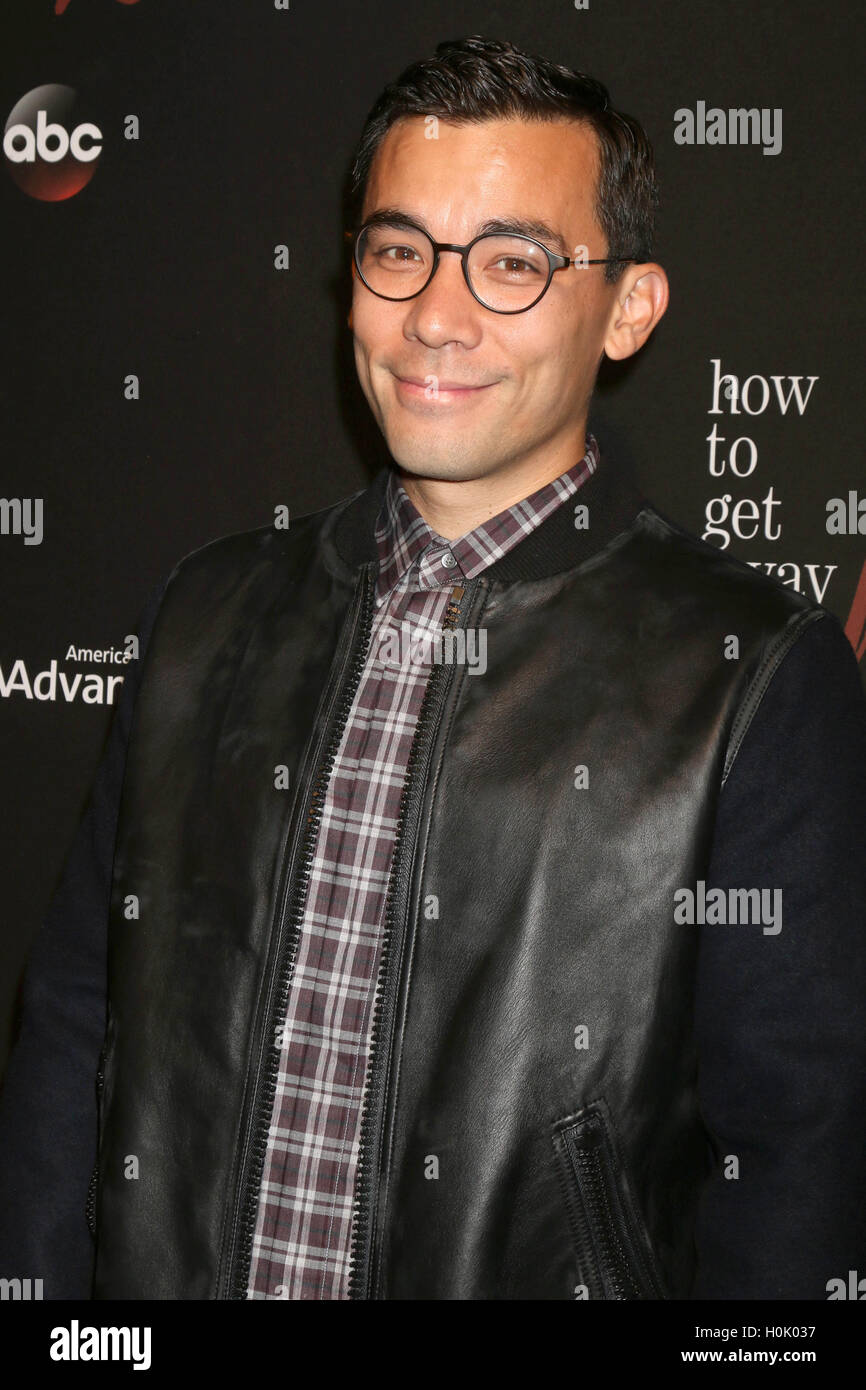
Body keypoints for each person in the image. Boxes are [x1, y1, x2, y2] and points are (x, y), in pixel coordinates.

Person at [1, 34, 865, 1302]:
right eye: (397, 249)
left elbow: (798, 1158)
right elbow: (79, 1027)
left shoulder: (748, 679)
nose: (434, 316)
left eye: (511, 262)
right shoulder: (207, 608)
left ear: (626, 308)